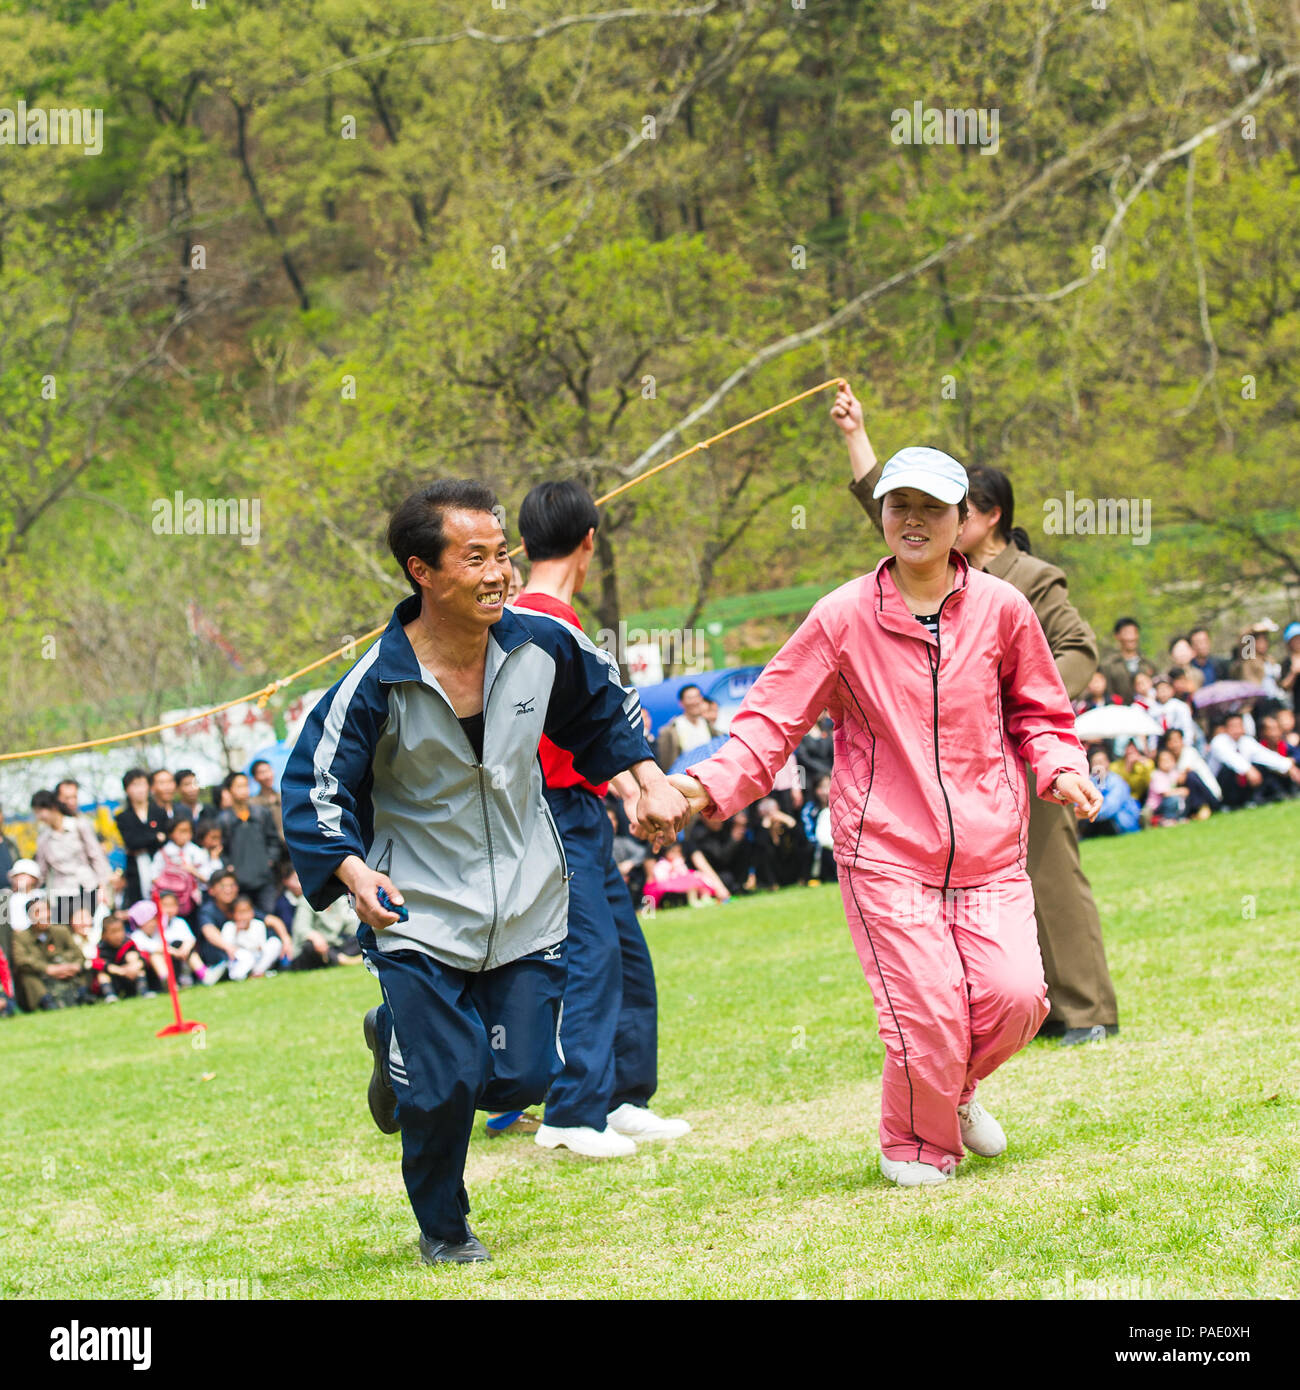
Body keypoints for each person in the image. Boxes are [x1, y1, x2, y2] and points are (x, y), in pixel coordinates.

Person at [280, 478, 687, 1264]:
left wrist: (647, 777)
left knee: (521, 1078)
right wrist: (352, 872)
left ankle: (394, 1040)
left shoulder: (544, 644)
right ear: (422, 572)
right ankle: (445, 1230)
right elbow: (314, 785)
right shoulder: (374, 683)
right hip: (419, 911)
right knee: (443, 1085)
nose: (500, 573)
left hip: (527, 902)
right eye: (476, 558)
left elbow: (606, 707)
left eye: (503, 554)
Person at [672, 445, 1101, 1187]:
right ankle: (915, 1145)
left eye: (932, 507)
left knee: (1017, 998)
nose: (914, 520)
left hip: (989, 848)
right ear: (882, 514)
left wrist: (1061, 766)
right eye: (900, 505)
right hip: (886, 852)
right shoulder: (841, 617)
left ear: (962, 520)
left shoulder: (1003, 608)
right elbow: (771, 719)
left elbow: (1041, 710)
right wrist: (703, 786)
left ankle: (954, 1093)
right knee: (927, 1010)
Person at [835, 383, 1119, 1047]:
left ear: (985, 516)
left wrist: (1024, 711)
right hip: (964, 767)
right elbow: (884, 501)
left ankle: (1087, 1011)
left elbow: (1079, 648)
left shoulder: (1032, 578)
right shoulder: (935, 575)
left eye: (947, 508)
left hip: (1027, 755)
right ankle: (1031, 1011)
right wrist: (855, 434)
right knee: (991, 899)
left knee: (1051, 875)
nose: (925, 518)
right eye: (913, 508)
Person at [513, 478, 691, 1158]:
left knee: (624, 951)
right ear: (590, 540)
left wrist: (626, 788)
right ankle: (571, 1113)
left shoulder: (556, 621)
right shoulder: (537, 623)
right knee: (589, 953)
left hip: (582, 808)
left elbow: (581, 732)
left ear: (523, 543)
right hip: (550, 812)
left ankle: (622, 1098)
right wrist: (638, 784)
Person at [31, 789, 111, 927]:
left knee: (89, 928)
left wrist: (103, 887)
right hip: (61, 893)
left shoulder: (79, 825)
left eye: (40, 811)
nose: (39, 817)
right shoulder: (43, 838)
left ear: (53, 807)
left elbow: (96, 855)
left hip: (86, 887)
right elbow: (42, 870)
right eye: (36, 813)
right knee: (64, 931)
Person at [216, 773, 284, 918]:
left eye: (246, 786)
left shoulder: (261, 813)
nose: (244, 790)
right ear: (229, 790)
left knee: (269, 915)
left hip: (264, 878)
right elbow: (221, 849)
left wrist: (270, 860)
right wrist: (229, 867)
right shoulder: (224, 819)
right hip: (239, 882)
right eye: (239, 786)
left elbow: (273, 840)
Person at [1208, 712, 1300, 807]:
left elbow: (1266, 756)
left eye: (1239, 725)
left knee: (1263, 766)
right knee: (1231, 770)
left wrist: (1289, 766)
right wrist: (1249, 770)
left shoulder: (1246, 741)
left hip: (1242, 784)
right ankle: (1226, 804)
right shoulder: (1218, 741)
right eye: (1233, 726)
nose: (1237, 729)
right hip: (1220, 785)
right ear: (1225, 729)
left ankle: (1252, 799)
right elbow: (1231, 759)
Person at [12, 897, 86, 1010]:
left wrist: (73, 966)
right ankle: (47, 1003)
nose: (44, 915)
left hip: (66, 972)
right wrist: (47, 969)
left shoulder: (61, 931)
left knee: (85, 968)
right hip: (41, 977)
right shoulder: (21, 937)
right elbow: (20, 960)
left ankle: (83, 994)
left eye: (46, 910)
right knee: (27, 976)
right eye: (38, 912)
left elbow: (79, 955)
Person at [114, 769, 167, 904]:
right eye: (135, 785)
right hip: (136, 870)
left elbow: (165, 839)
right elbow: (131, 842)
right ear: (127, 790)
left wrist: (144, 839)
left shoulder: (159, 812)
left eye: (143, 784)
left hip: (161, 864)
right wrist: (154, 837)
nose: (140, 790)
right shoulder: (123, 817)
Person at [1157, 728, 1221, 819]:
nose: (1174, 744)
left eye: (1176, 740)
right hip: (1189, 796)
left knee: (1190, 776)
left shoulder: (1189, 752)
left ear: (1182, 741)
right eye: (1171, 741)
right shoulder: (1171, 759)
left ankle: (1202, 807)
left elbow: (1181, 778)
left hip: (1210, 795)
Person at [1078, 747, 1142, 837]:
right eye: (1096, 762)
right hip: (1096, 820)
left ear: (1108, 762)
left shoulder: (1117, 782)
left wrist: (1086, 814)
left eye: (1101, 761)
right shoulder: (1090, 782)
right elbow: (1079, 802)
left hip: (1120, 823)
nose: (1099, 765)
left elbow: (1111, 808)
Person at [654, 683, 718, 770]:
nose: (694, 701)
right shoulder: (671, 730)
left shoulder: (707, 725)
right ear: (681, 703)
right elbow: (665, 763)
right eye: (690, 698)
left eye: (697, 697)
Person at [1099, 618, 1157, 702]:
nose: (1131, 637)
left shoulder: (1148, 663)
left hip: (1145, 708)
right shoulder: (1108, 665)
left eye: (1134, 632)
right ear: (1117, 636)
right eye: (1127, 633)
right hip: (1117, 708)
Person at [1145, 747, 1189, 825]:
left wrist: (1186, 772)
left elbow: (1180, 779)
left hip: (1168, 803)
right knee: (1174, 799)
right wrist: (1181, 791)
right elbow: (1165, 794)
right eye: (1164, 761)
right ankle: (1166, 819)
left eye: (1169, 760)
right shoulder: (1156, 775)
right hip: (1157, 807)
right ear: (1158, 763)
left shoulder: (1173, 773)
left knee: (1181, 799)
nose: (1167, 763)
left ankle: (1178, 818)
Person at [249, 759, 285, 841]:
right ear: (255, 778)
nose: (268, 776)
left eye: (269, 770)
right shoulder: (253, 803)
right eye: (262, 772)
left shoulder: (283, 796)